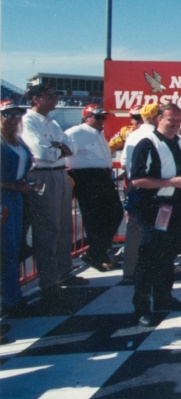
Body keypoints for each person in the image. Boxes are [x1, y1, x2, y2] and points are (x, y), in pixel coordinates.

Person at [20, 83, 87, 308]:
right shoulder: (28, 121)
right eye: (49, 96)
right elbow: (41, 153)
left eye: (55, 95)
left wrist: (57, 147)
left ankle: (64, 273)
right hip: (42, 175)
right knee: (48, 229)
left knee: (64, 226)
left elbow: (72, 147)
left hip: (59, 173)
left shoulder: (53, 122)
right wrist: (59, 148)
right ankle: (49, 282)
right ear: (36, 99)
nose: (54, 99)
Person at [128, 103, 181, 326]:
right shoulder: (147, 143)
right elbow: (136, 179)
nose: (175, 123)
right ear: (158, 119)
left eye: (178, 119)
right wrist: (169, 182)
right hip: (154, 207)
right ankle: (142, 308)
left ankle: (164, 298)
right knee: (148, 258)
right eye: (170, 119)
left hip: (176, 206)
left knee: (168, 255)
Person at [65, 104, 124, 272]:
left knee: (114, 213)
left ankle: (96, 252)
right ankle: (97, 254)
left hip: (101, 177)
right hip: (86, 177)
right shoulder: (75, 133)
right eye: (97, 117)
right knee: (94, 219)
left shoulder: (98, 134)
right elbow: (65, 155)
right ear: (86, 118)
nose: (101, 120)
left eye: (103, 117)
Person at [120, 104, 161, 284]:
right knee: (157, 231)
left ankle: (129, 272)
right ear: (154, 117)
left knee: (135, 232)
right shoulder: (156, 136)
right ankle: (152, 270)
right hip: (154, 188)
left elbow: (123, 163)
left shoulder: (132, 135)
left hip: (135, 188)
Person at [0, 101, 33, 316]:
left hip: (17, 198)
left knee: (14, 248)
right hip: (3, 199)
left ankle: (13, 298)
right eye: (7, 113)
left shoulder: (17, 140)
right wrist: (14, 186)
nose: (13, 117)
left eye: (17, 113)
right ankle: (11, 301)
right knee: (6, 250)